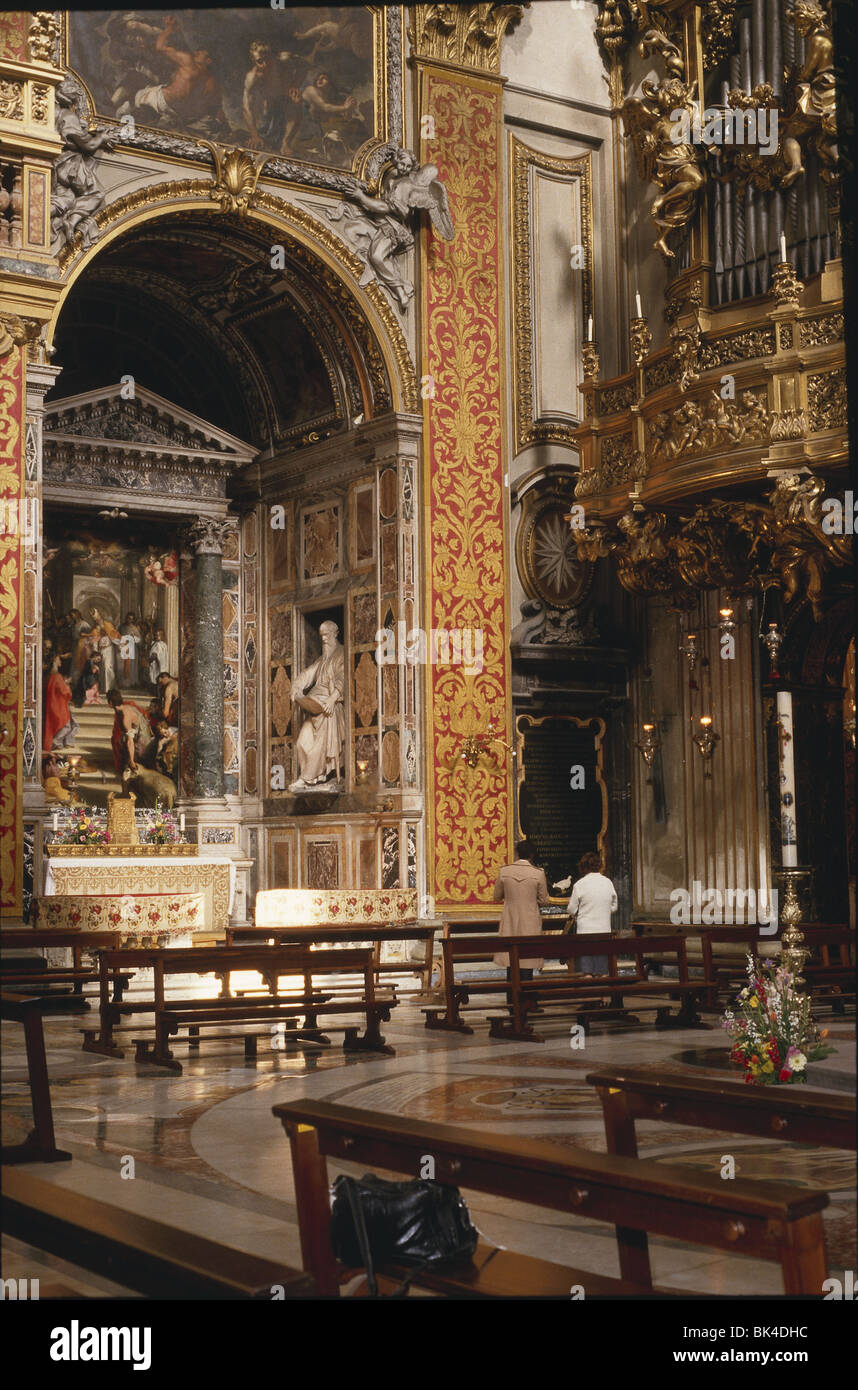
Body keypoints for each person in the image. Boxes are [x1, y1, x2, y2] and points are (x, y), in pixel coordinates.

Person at [289, 620, 345, 789]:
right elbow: (306, 674)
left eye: (327, 635)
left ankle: (308, 779)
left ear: (336, 633)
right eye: (321, 635)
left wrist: (332, 698)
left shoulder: (342, 654)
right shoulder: (322, 660)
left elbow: (343, 678)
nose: (324, 639)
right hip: (314, 707)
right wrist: (296, 689)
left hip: (329, 709)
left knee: (319, 747)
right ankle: (310, 777)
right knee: (301, 742)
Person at [492, 841, 550, 976]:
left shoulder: (505, 871)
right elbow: (544, 900)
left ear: (517, 853)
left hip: (510, 920)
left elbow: (496, 896)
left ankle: (511, 995)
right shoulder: (538, 873)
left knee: (510, 961)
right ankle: (526, 995)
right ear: (531, 855)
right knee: (527, 960)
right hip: (530, 921)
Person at [566, 851, 618, 978]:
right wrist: (603, 911)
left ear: (583, 867)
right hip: (603, 929)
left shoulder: (580, 884)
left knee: (587, 971)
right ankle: (604, 995)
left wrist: (580, 913)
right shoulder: (607, 882)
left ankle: (589, 992)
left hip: (586, 930)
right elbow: (614, 906)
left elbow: (571, 909)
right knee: (602, 970)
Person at [107, 688, 152, 774]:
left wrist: (131, 761)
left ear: (110, 703)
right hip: (136, 736)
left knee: (131, 764)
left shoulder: (125, 717)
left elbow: (130, 741)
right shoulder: (123, 708)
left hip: (142, 742)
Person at [43, 655, 78, 750]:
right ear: (54, 661)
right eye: (59, 660)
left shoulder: (49, 676)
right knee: (66, 725)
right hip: (59, 705)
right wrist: (66, 684)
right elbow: (65, 692)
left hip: (53, 704)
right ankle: (56, 741)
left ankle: (60, 743)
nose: (60, 662)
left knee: (66, 725)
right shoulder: (57, 676)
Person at [120, 612, 142, 686]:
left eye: (131, 619)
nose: (129, 620)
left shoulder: (134, 628)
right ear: (126, 618)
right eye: (128, 618)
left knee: (132, 666)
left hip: (132, 648)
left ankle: (132, 682)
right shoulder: (122, 627)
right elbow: (117, 636)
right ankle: (125, 683)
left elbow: (139, 640)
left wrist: (133, 637)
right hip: (124, 648)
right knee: (123, 665)